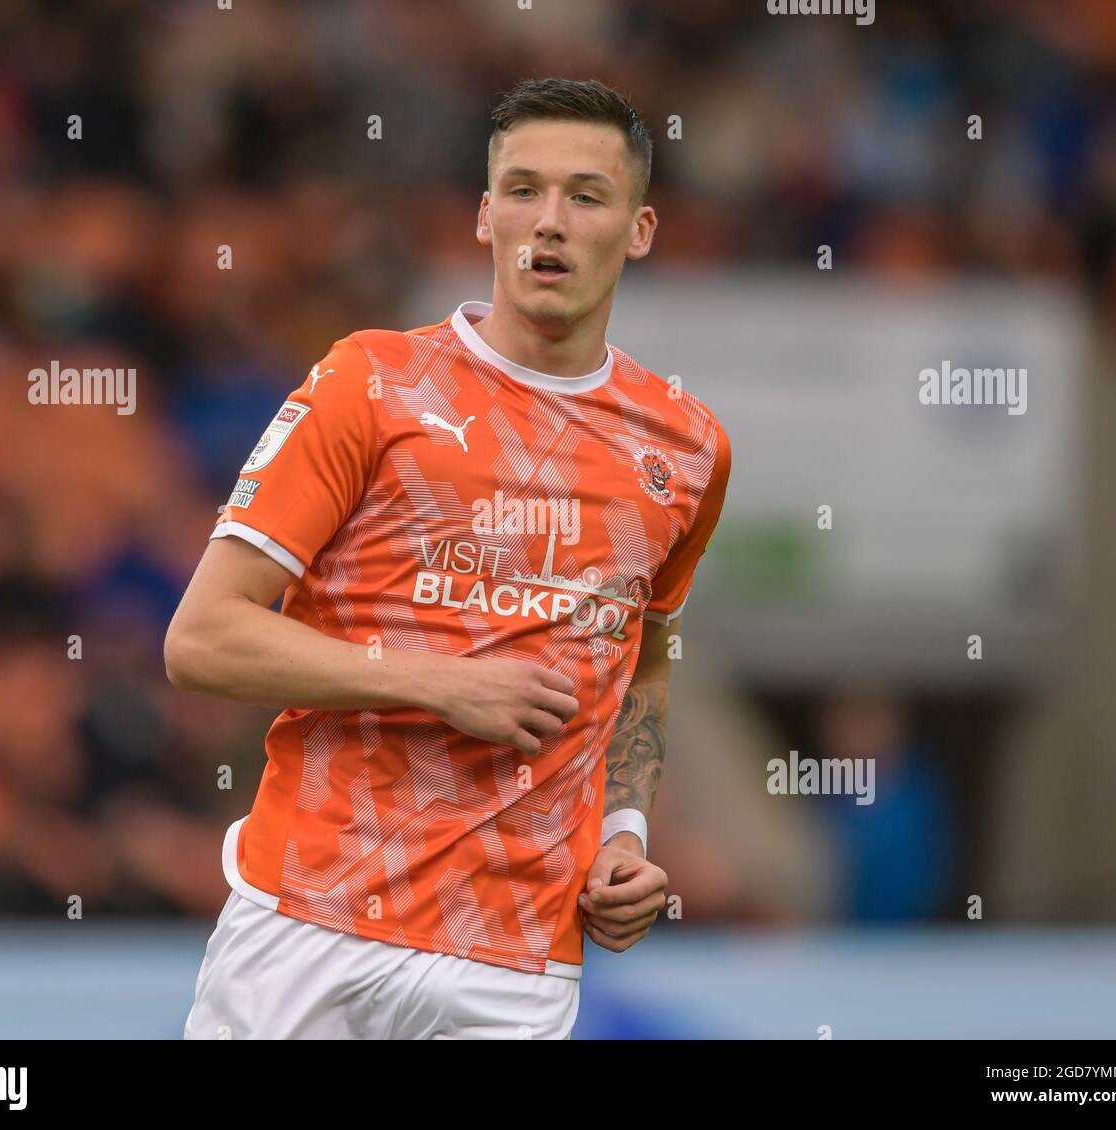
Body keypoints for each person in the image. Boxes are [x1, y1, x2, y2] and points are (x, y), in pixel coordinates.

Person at [165, 77, 732, 1039]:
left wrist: (622, 837)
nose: (547, 223)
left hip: (515, 964)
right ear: (483, 215)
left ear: (637, 230)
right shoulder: (371, 382)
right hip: (308, 923)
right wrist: (439, 682)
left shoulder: (685, 450)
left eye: (585, 197)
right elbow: (202, 640)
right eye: (522, 190)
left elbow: (644, 659)